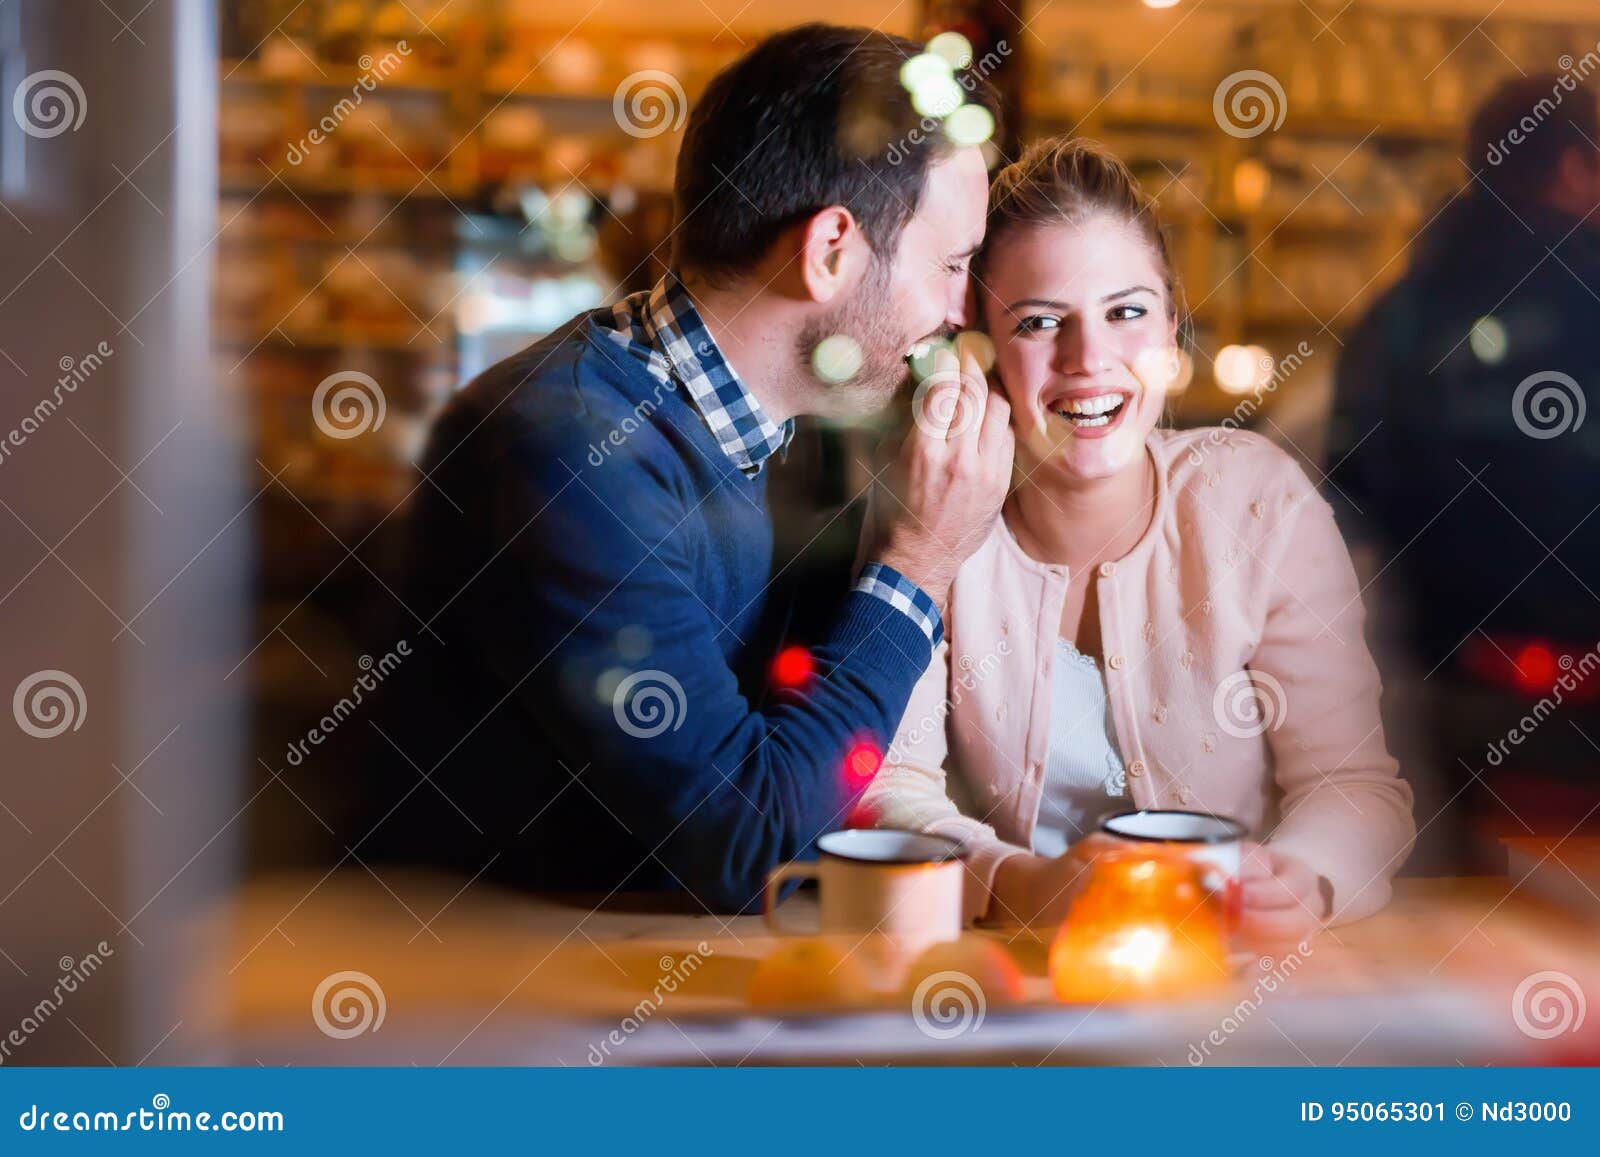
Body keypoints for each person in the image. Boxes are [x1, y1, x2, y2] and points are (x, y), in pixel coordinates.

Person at [368, 24, 1012, 912]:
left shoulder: (780, 430)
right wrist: (922, 558)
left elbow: (816, 755)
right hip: (498, 1008)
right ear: (830, 252)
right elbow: (749, 839)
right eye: (951, 264)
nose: (959, 308)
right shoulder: (566, 455)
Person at [862, 137, 1415, 942]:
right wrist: (1016, 884)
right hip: (1018, 984)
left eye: (1126, 313)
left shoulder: (1258, 500)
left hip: (1233, 975)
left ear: (1171, 331)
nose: (1090, 360)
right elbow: (886, 789)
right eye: (1041, 322)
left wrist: (1300, 875)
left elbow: (1354, 784)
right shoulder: (934, 513)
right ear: (980, 355)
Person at [1325, 75, 1600, 873]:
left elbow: (1349, 497)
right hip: (1580, 699)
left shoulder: (1403, 310)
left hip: (1442, 688)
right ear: (1576, 167)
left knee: (1491, 921)